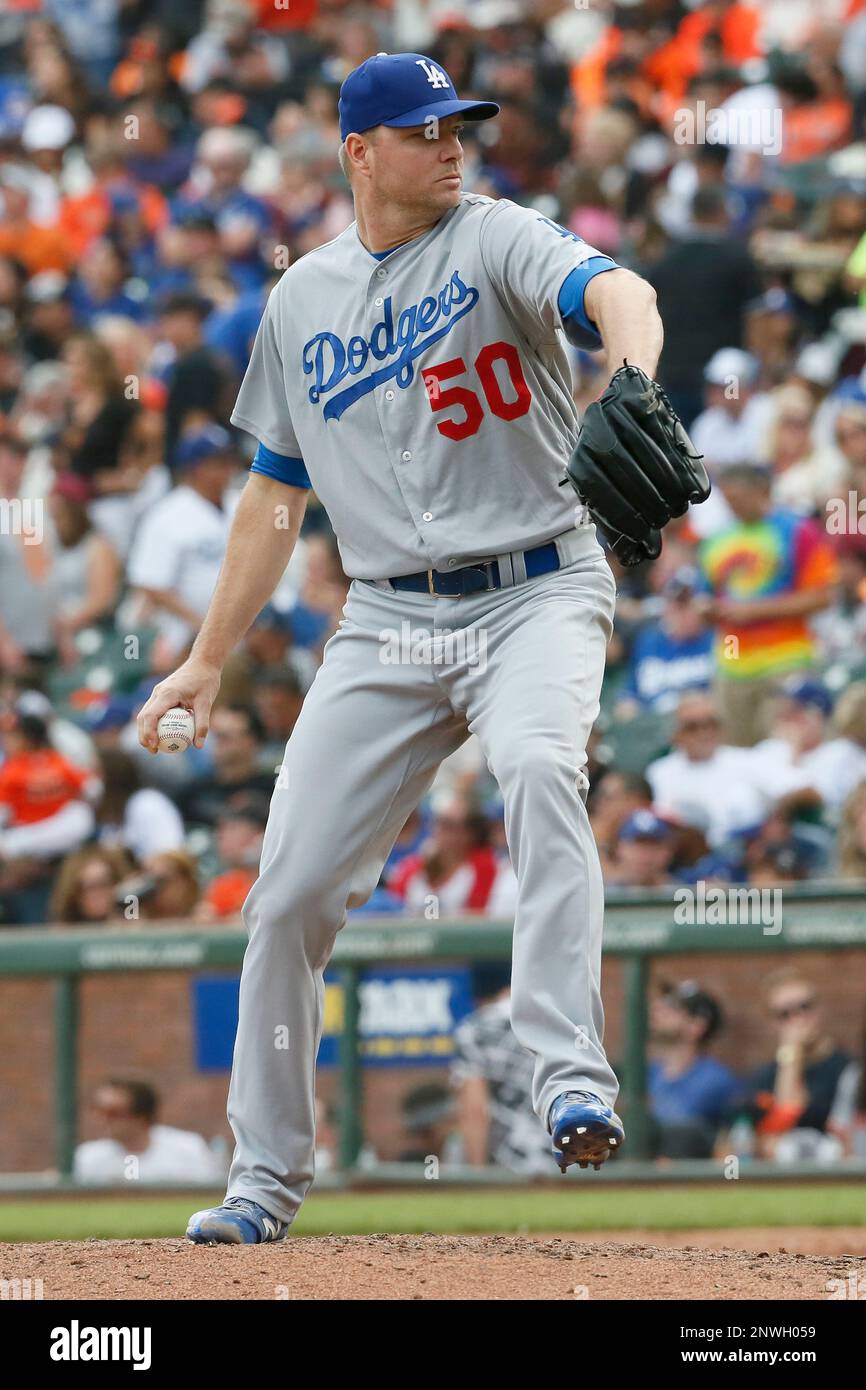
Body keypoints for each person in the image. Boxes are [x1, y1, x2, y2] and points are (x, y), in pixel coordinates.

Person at [138, 50, 670, 1243]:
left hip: (536, 585)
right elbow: (274, 498)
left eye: (459, 125)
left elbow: (619, 290)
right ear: (358, 153)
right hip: (383, 615)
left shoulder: (495, 237)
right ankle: (261, 1180)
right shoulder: (300, 299)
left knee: (538, 766)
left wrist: (629, 372)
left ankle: (569, 1072)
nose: (452, 144)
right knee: (282, 899)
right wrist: (206, 656)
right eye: (427, 129)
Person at [697, 464, 838, 746]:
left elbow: (822, 596)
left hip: (784, 661)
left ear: (762, 491)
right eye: (728, 499)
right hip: (732, 662)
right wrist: (705, 610)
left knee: (782, 751)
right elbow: (706, 599)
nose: (733, 506)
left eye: (739, 498)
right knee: (735, 757)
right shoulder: (716, 541)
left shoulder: (797, 531)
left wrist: (753, 610)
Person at [127, 424, 241, 666]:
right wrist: (203, 625)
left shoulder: (240, 503)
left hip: (241, 629)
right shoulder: (166, 515)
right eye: (217, 462)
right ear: (195, 468)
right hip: (182, 635)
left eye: (227, 461)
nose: (226, 469)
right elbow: (152, 583)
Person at [734, 969, 850, 1162]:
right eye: (784, 1014)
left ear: (820, 1009)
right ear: (772, 1023)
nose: (797, 1019)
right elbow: (774, 1126)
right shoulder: (763, 1077)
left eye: (805, 1007)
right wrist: (791, 1052)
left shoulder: (847, 1069)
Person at [451, 964, 554, 1175]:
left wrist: (477, 1173)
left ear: (478, 996)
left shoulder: (476, 1030)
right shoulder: (555, 1021)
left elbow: (475, 1110)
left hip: (511, 1169)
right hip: (571, 1160)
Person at [647, 981, 742, 1161]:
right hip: (639, 1175)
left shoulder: (715, 1081)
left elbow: (730, 1146)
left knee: (683, 1133)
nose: (657, 1008)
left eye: (673, 1007)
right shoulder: (647, 1074)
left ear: (697, 1025)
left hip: (688, 1178)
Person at [74, 1078, 222, 1185]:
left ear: (141, 1116)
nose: (103, 1120)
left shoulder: (188, 1148)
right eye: (99, 1111)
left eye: (113, 1113)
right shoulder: (89, 1156)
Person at [49, 844, 132, 925]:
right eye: (89, 887)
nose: (98, 893)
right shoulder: (61, 934)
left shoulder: (133, 925)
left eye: (103, 884)